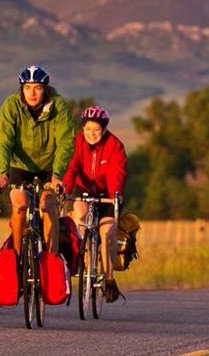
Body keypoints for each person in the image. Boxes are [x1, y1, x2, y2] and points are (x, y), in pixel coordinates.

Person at [0, 65, 75, 255]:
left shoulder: (58, 106)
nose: (32, 93)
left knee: (48, 206)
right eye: (27, 88)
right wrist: (3, 174)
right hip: (20, 166)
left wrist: (57, 174)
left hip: (49, 167)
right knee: (20, 205)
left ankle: (52, 257)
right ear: (21, 89)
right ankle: (19, 257)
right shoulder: (11, 105)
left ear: (45, 89)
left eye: (37, 87)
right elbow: (2, 141)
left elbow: (65, 142)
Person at [62, 105, 128, 302]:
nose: (92, 134)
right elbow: (71, 169)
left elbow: (117, 173)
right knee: (80, 214)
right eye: (88, 129)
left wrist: (115, 194)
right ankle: (83, 255)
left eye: (96, 130)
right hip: (83, 192)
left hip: (107, 194)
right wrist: (65, 189)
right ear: (83, 128)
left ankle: (109, 279)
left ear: (104, 130)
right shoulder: (77, 143)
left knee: (107, 233)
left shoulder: (115, 146)